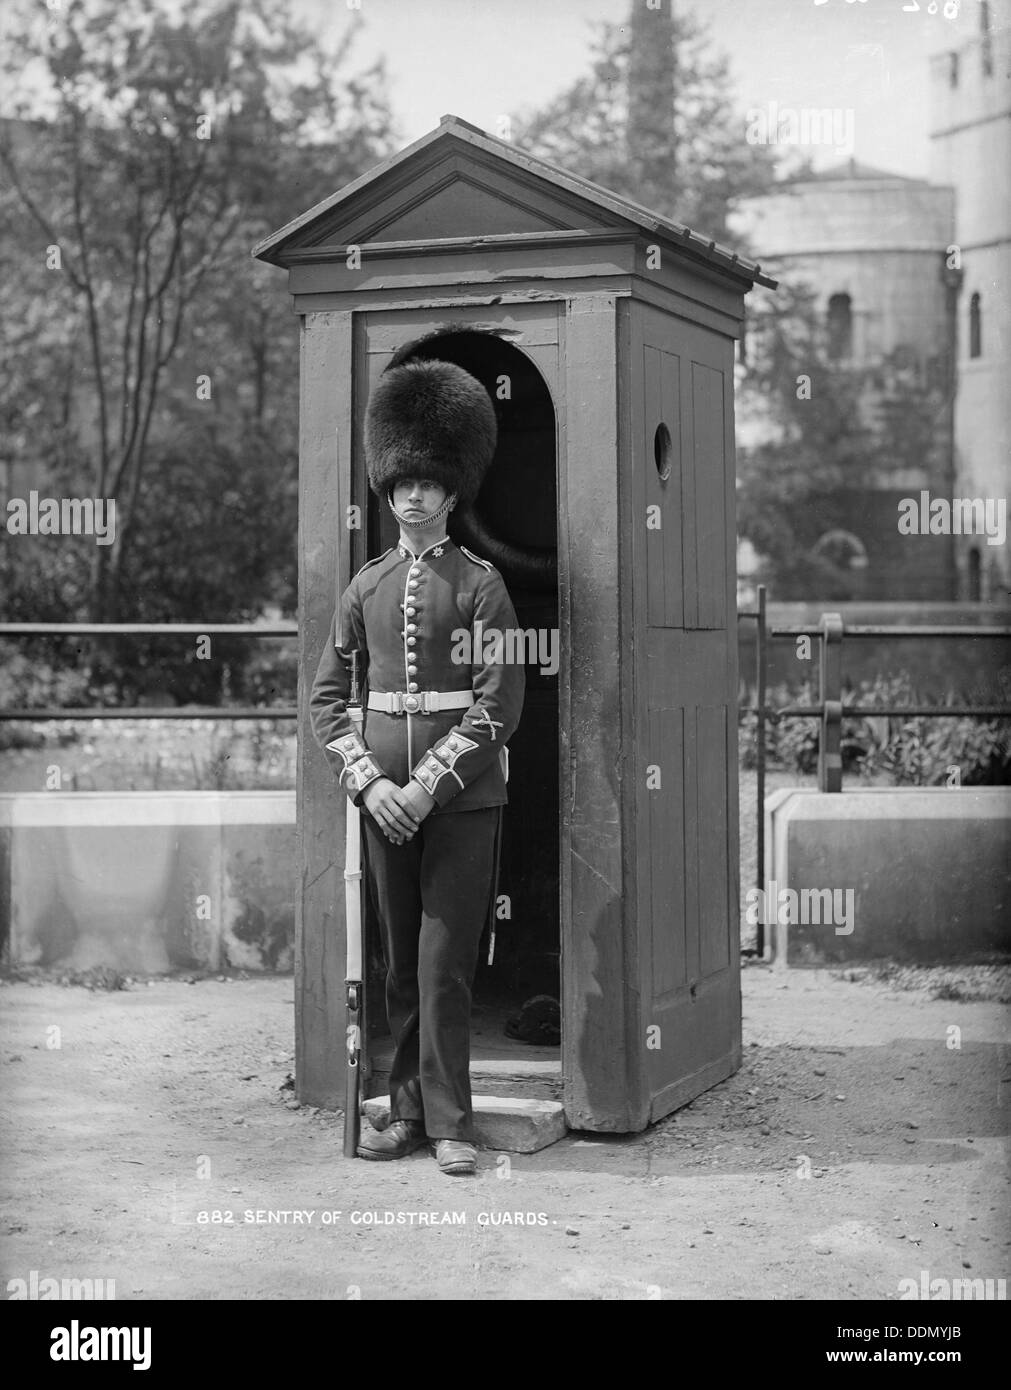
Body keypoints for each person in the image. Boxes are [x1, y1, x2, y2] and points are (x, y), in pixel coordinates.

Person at [310, 358, 525, 1176]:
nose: (413, 497)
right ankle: (401, 1112)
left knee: (443, 966)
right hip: (381, 803)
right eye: (401, 482)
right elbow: (329, 701)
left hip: (461, 804)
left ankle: (452, 1122)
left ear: (451, 488)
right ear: (385, 483)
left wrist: (424, 786)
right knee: (398, 963)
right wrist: (369, 783)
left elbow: (498, 707)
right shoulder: (365, 587)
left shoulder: (482, 587)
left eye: (429, 483)